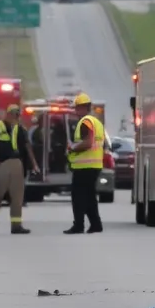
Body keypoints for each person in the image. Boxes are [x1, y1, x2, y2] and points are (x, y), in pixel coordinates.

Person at [0, 104, 39, 234]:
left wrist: (34, 164)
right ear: (7, 114)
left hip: (17, 164)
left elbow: (27, 147)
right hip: (3, 164)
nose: (15, 116)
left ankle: (16, 226)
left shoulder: (21, 130)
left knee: (17, 197)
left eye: (17, 113)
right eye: (13, 113)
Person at [65, 92, 105, 234]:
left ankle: (79, 225)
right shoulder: (97, 122)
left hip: (84, 167)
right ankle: (96, 224)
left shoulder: (86, 122)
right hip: (94, 165)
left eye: (77, 108)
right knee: (89, 197)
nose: (76, 111)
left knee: (78, 197)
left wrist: (72, 148)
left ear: (83, 107)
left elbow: (88, 143)